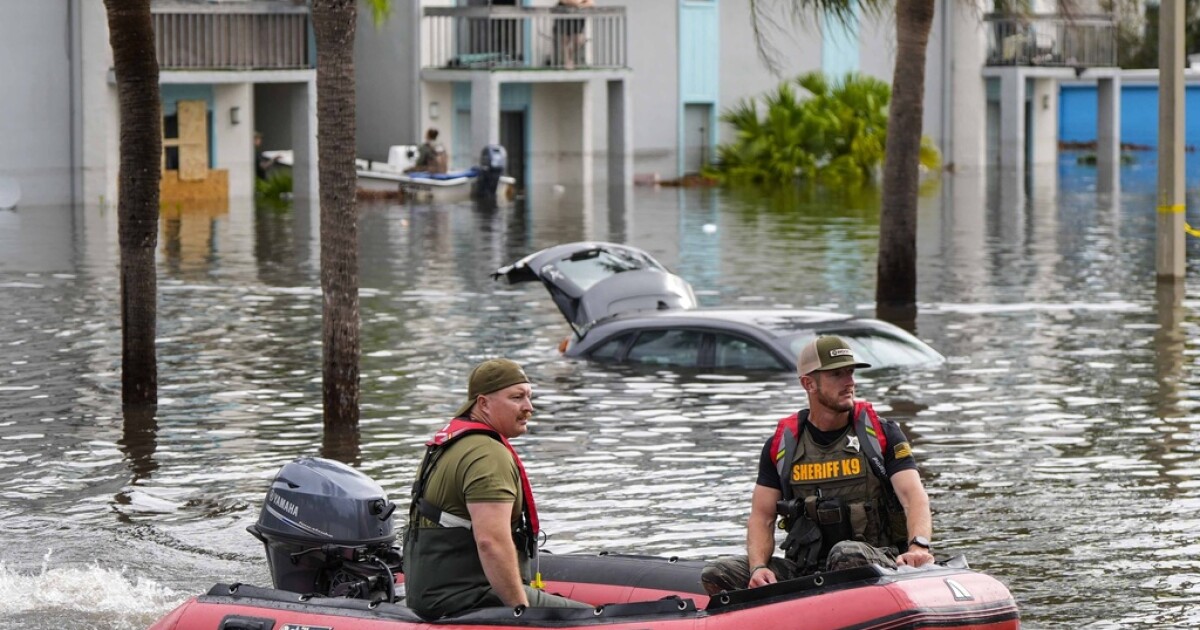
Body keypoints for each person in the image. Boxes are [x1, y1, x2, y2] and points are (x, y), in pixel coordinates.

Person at [700, 336, 935, 595]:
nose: (850, 382)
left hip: (876, 562)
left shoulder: (882, 434)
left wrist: (918, 548)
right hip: (806, 569)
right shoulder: (781, 445)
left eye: (850, 372)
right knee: (718, 573)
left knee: (845, 554)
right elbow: (762, 517)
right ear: (808, 383)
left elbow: (913, 497)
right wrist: (758, 568)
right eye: (837, 374)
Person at [403, 359, 590, 619]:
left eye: (529, 397)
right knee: (596, 619)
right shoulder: (487, 455)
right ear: (483, 404)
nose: (529, 408)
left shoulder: (452, 443)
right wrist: (521, 612)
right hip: (467, 596)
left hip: (434, 593)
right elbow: (491, 542)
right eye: (517, 397)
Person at [553, 0, 593, 69]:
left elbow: (591, 3)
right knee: (564, 40)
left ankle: (569, 55)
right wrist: (577, 3)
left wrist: (579, 5)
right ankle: (567, 63)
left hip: (577, 15)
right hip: (563, 12)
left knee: (579, 39)